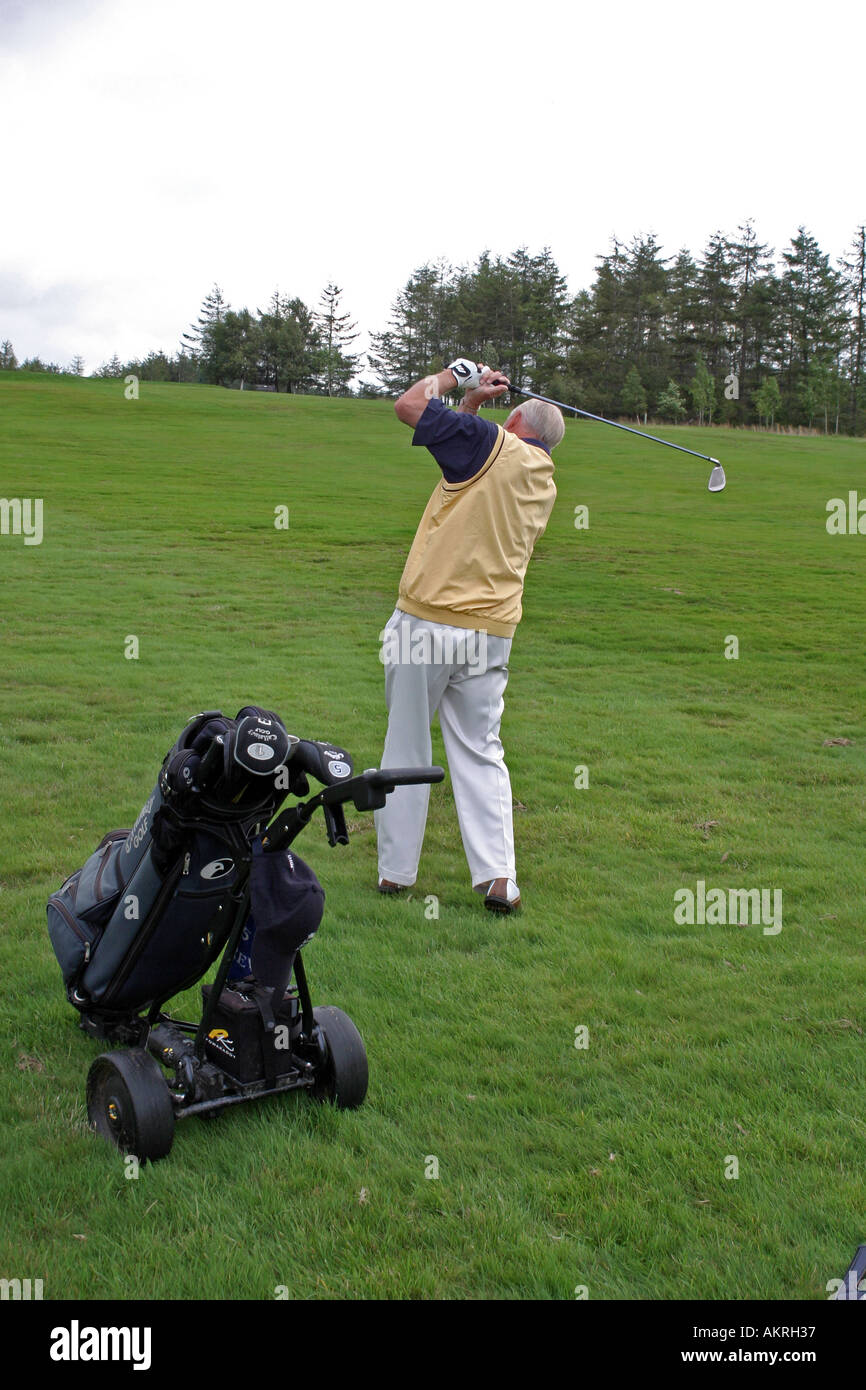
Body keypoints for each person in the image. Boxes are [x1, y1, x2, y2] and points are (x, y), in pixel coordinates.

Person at [374, 358, 565, 914]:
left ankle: (395, 874)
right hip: (491, 632)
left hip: (427, 621)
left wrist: (454, 376)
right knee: (482, 752)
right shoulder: (541, 476)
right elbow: (465, 458)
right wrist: (476, 404)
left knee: (406, 741)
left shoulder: (487, 445)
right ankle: (499, 879)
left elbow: (408, 406)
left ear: (514, 425)